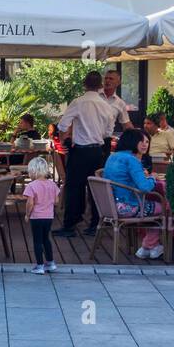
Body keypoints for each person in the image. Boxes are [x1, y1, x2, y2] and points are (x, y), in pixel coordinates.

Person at [54, 70, 117, 237]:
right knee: (96, 188)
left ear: (84, 84)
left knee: (74, 188)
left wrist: (66, 141)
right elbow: (109, 131)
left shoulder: (78, 102)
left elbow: (62, 125)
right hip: (98, 151)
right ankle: (95, 224)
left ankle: (70, 225)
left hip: (80, 151)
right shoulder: (106, 105)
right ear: (100, 86)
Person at [103, 128, 164, 259]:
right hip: (128, 207)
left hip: (110, 206)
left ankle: (149, 247)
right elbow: (145, 188)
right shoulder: (132, 160)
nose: (144, 144)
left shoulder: (112, 156)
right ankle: (150, 245)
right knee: (164, 207)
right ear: (131, 142)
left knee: (153, 205)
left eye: (147, 142)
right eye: (140, 141)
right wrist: (153, 177)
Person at [22, 156, 62, 274]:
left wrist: (27, 215)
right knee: (46, 239)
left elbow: (30, 203)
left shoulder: (32, 186)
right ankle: (50, 262)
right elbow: (56, 201)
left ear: (33, 171)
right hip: (49, 217)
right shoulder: (52, 184)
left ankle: (39, 266)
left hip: (37, 217)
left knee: (37, 241)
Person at [102, 69, 133, 136]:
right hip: (87, 140)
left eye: (111, 79)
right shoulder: (95, 96)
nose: (107, 81)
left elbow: (126, 124)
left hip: (106, 140)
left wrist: (137, 135)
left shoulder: (120, 103)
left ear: (118, 82)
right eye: (106, 78)